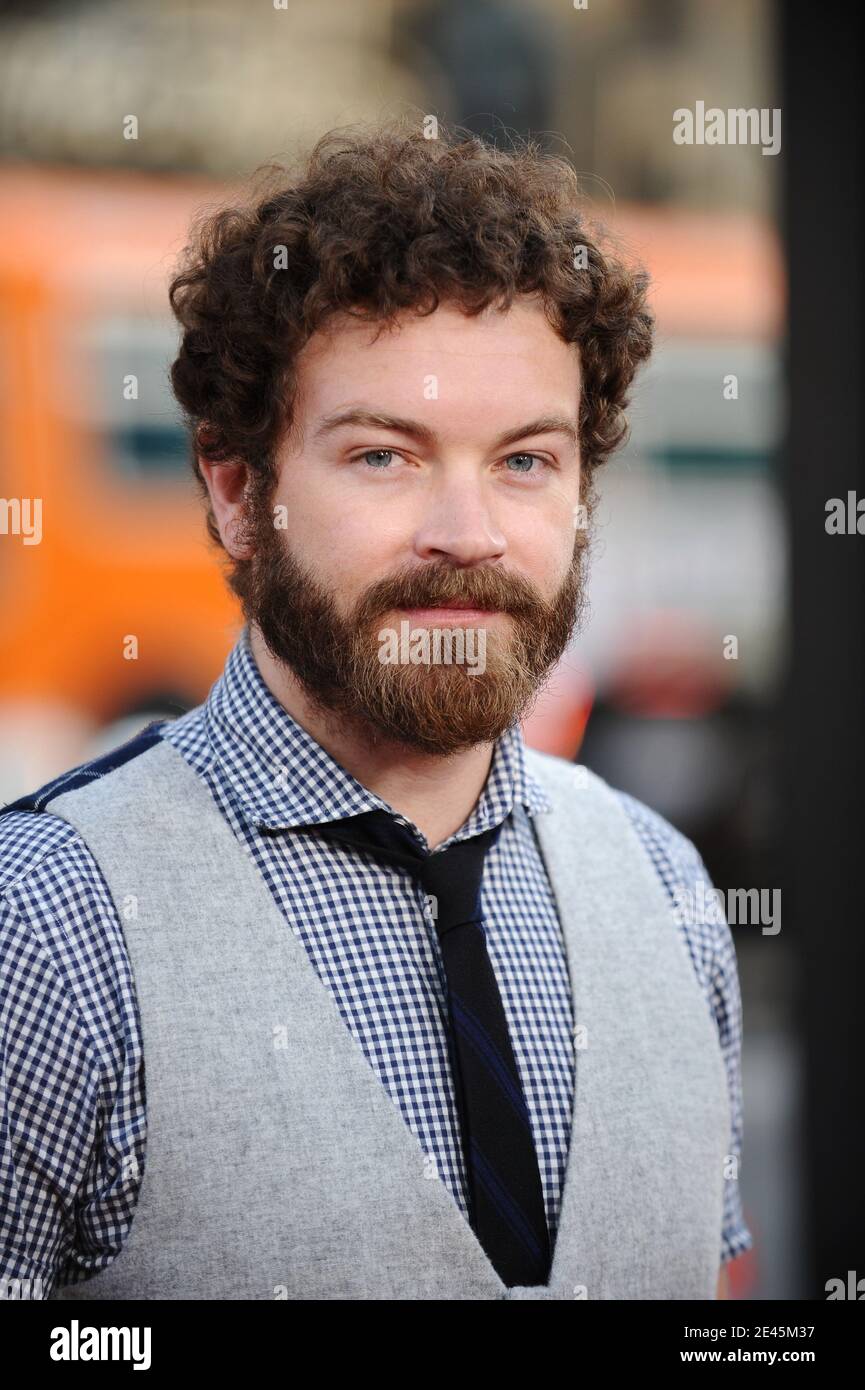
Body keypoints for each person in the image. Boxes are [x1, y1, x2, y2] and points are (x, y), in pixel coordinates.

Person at [0, 118, 752, 1301]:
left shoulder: (665, 891)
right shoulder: (46, 928)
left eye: (525, 461)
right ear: (240, 493)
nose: (468, 532)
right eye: (383, 457)